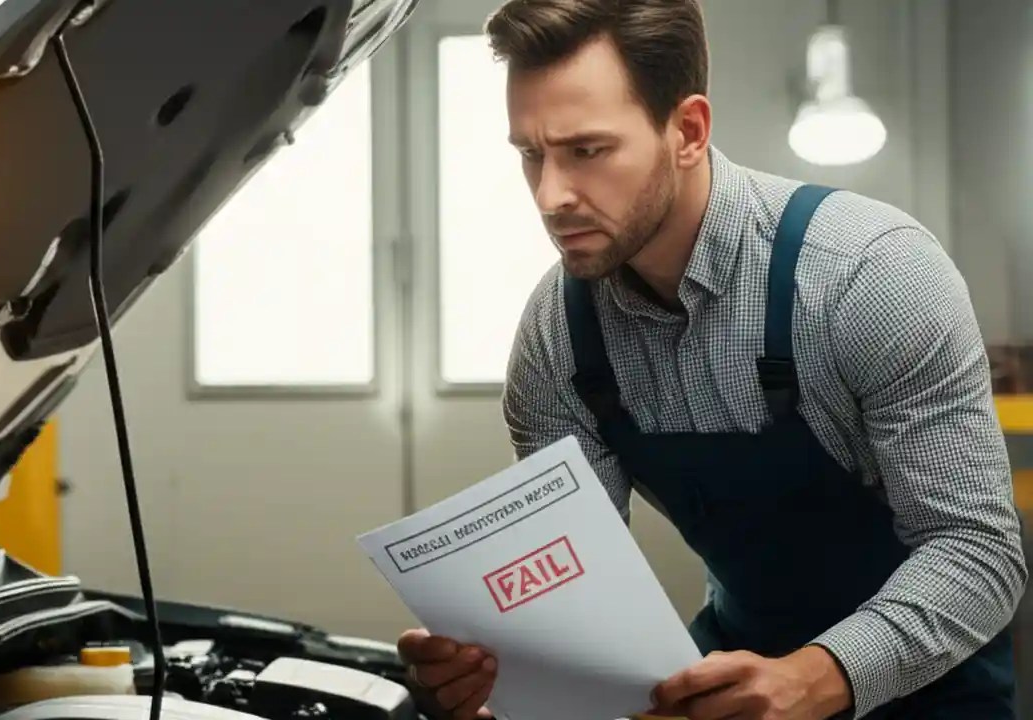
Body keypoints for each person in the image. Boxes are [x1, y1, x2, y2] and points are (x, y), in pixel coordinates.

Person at [395, 1, 1028, 719]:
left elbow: (978, 552)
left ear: (688, 131)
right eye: (530, 154)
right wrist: (502, 678)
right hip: (728, 680)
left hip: (931, 690)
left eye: (587, 151)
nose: (551, 196)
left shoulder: (868, 276)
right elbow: (575, 597)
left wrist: (812, 679)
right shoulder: (557, 336)